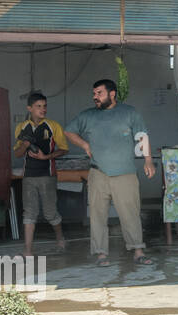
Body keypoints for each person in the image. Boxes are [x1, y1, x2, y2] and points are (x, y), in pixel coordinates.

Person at [64, 78, 157, 267]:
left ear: (112, 94)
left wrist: (148, 160)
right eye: (94, 94)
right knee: (97, 215)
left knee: (130, 214)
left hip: (125, 173)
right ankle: (101, 254)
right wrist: (84, 144)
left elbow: (142, 136)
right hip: (98, 173)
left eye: (99, 93)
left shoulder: (129, 112)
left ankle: (138, 251)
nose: (95, 97)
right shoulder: (87, 115)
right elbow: (68, 131)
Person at [12, 91, 69, 257]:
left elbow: (64, 149)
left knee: (50, 212)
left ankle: (60, 239)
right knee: (29, 213)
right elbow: (17, 154)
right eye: (38, 106)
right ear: (29, 108)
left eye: (44, 106)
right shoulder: (21, 127)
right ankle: (28, 250)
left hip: (47, 174)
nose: (43, 109)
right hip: (28, 176)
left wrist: (46, 156)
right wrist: (25, 144)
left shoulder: (53, 126)